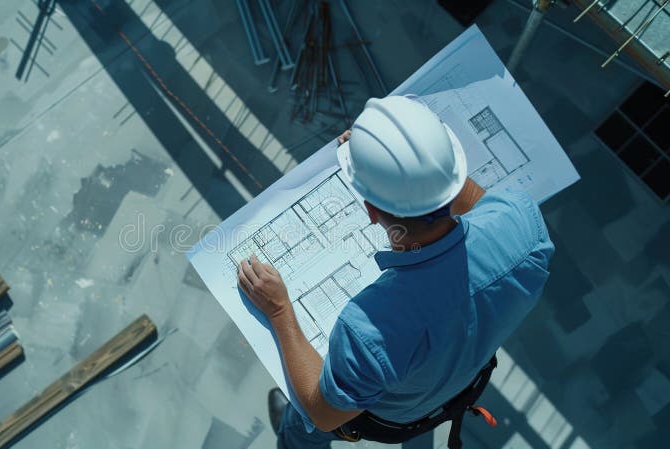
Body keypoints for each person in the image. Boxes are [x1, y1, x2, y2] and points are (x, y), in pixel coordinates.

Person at [237, 96, 555, 448]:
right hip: (459, 380)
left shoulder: (367, 329)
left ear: (371, 212)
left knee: (306, 422)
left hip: (391, 416)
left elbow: (324, 412)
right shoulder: (523, 223)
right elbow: (479, 205)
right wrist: (409, 164)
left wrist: (279, 311)